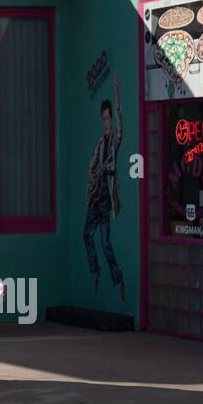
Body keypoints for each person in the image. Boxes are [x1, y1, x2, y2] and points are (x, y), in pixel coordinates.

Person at [84, 76, 125, 301]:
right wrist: (92, 176)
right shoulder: (100, 144)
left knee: (106, 244)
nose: (106, 123)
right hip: (94, 199)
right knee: (85, 236)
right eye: (104, 119)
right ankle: (95, 270)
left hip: (106, 200)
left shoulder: (114, 142)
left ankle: (117, 279)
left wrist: (117, 94)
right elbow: (90, 169)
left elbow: (121, 123)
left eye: (108, 118)